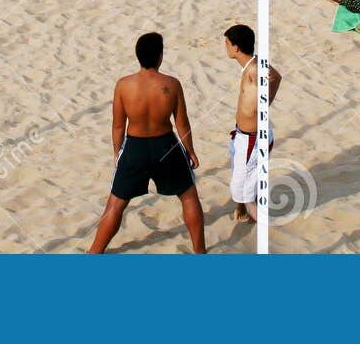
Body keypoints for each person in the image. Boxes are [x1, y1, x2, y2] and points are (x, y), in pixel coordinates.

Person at [87, 32, 205, 254]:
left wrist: (117, 152)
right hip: (166, 146)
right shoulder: (172, 84)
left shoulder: (123, 85)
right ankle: (200, 252)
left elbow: (118, 125)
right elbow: (182, 122)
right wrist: (190, 151)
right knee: (189, 197)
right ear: (160, 57)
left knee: (115, 204)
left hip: (135, 147)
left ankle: (94, 252)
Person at [223, 23, 280, 224]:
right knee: (243, 180)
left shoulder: (254, 69)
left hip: (253, 138)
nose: (226, 47)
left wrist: (265, 104)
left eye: (227, 43)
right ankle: (244, 211)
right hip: (243, 136)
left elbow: (275, 78)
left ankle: (262, 227)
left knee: (245, 192)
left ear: (236, 47)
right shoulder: (252, 64)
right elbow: (276, 76)